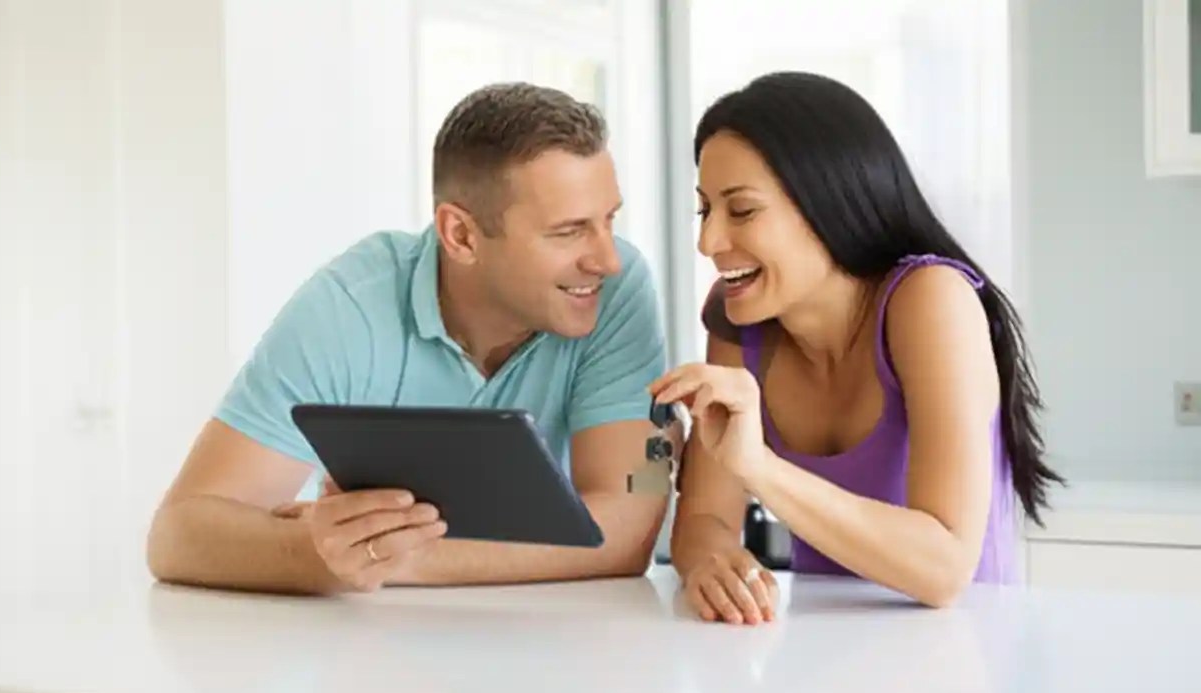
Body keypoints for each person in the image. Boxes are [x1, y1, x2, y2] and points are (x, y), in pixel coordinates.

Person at [147, 83, 670, 594]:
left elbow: (629, 527)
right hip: (367, 649)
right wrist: (320, 553)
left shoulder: (617, 293)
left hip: (561, 642)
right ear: (460, 235)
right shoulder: (351, 304)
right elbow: (179, 535)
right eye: (568, 231)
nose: (607, 258)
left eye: (609, 220)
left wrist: (400, 558)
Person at [654, 72, 1063, 623]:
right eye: (705, 210)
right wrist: (713, 563)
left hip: (961, 654)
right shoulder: (740, 319)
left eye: (742, 210)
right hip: (822, 653)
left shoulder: (929, 299)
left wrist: (759, 467)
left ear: (829, 202)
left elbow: (942, 569)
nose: (708, 242)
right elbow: (705, 519)